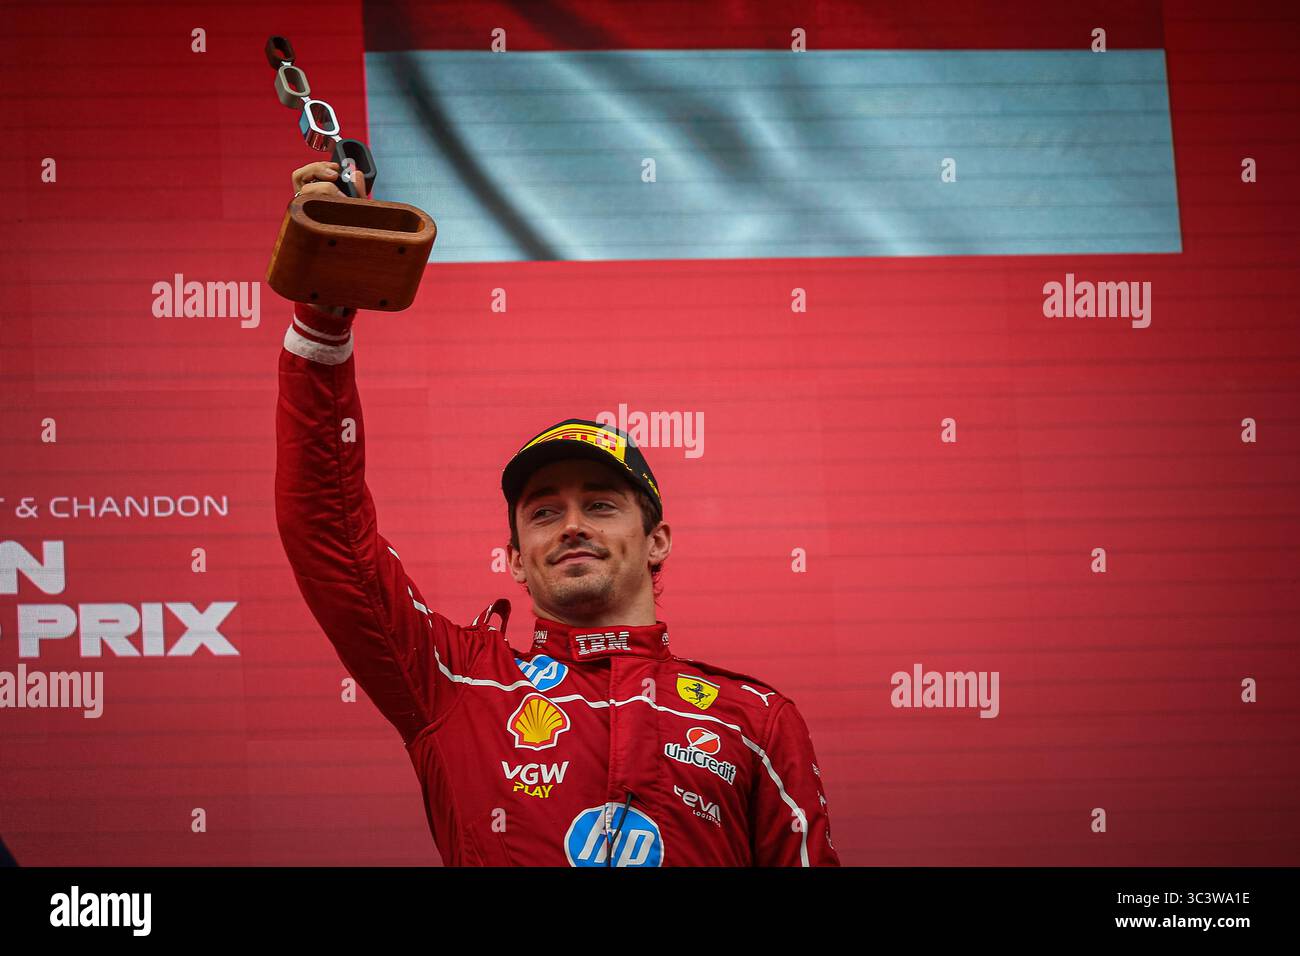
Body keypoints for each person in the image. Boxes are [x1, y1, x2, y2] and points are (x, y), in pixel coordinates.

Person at [275, 160, 840, 866]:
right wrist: (324, 317)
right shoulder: (454, 684)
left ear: (656, 538)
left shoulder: (754, 720)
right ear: (514, 558)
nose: (572, 524)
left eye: (600, 505)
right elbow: (330, 533)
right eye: (543, 513)